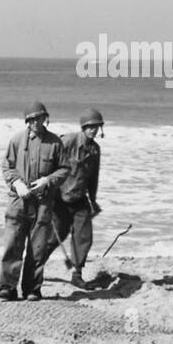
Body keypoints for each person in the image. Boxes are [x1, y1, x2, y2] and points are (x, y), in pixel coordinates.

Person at [0, 101, 68, 301]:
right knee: (12, 244)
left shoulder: (55, 143)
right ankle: (7, 287)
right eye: (32, 119)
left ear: (45, 118)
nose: (36, 122)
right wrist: (16, 183)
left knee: (37, 249)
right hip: (18, 201)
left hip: (43, 202)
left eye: (39, 118)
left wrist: (48, 180)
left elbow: (64, 169)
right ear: (27, 121)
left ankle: (32, 288)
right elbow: (7, 166)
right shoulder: (17, 140)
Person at [55, 108, 104, 289]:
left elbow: (93, 178)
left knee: (84, 237)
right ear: (83, 127)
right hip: (59, 198)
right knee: (55, 237)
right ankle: (35, 268)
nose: (93, 130)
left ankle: (77, 274)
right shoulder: (67, 141)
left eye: (96, 126)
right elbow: (51, 163)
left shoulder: (95, 149)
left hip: (80, 198)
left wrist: (93, 200)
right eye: (90, 127)